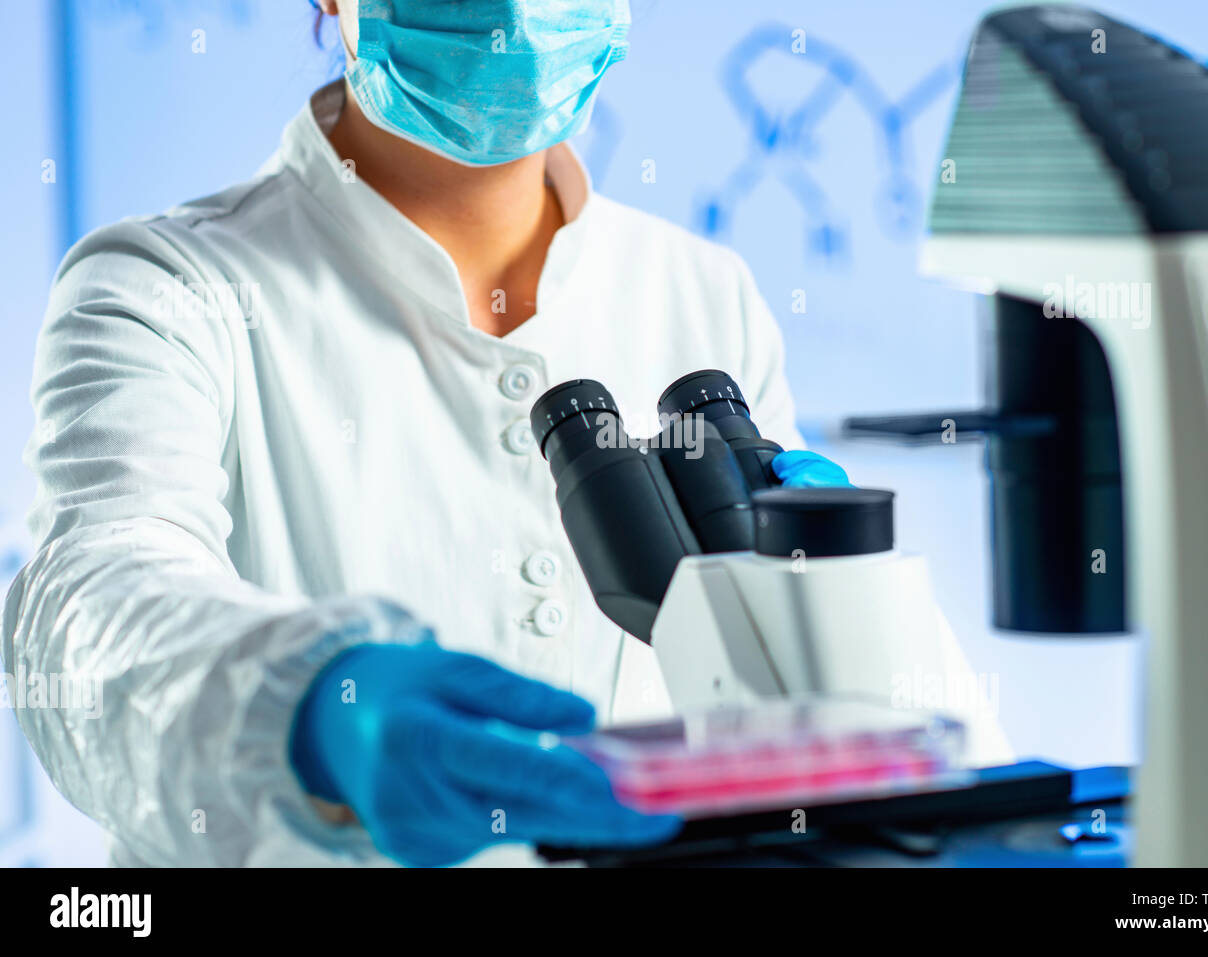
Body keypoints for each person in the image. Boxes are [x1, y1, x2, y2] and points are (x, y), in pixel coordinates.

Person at [1, 0, 852, 866]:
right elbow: (94, 608)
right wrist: (305, 712)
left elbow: (787, 703)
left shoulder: (703, 291)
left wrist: (840, 604)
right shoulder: (166, 287)